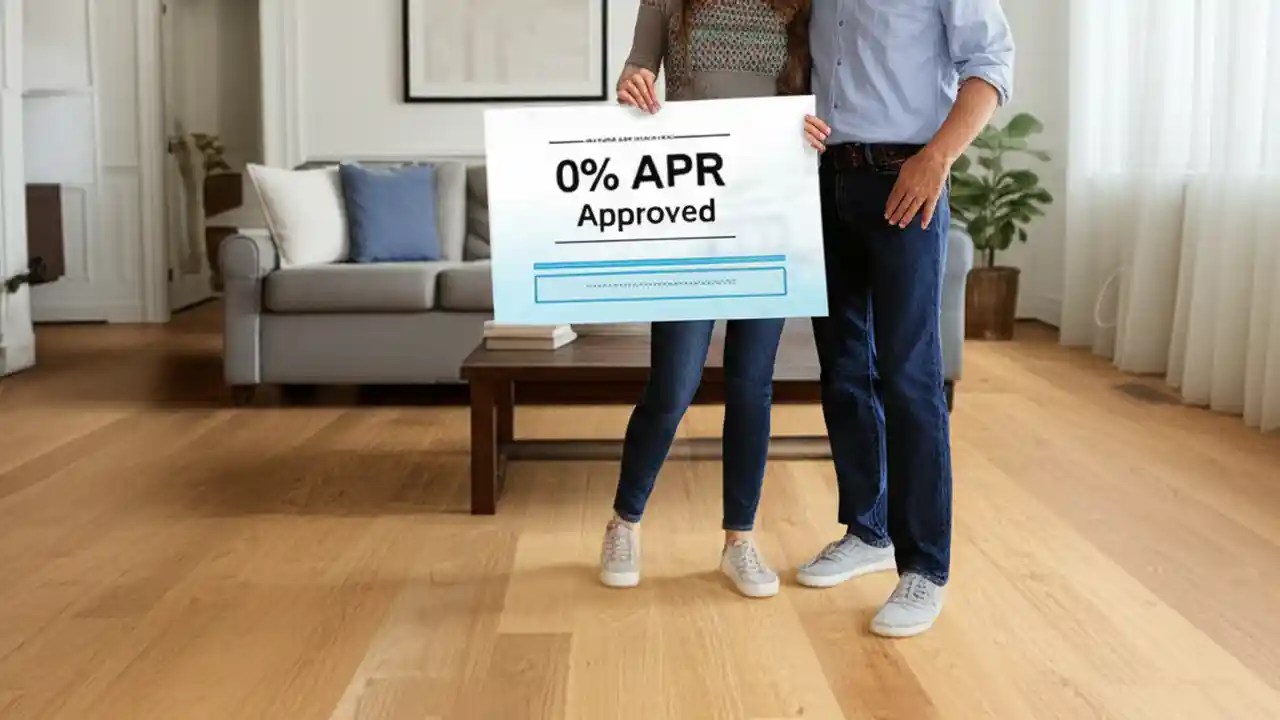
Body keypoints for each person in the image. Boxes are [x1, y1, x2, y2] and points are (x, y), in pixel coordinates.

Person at [797, 0, 1014, 637]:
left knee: (909, 375)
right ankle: (868, 529)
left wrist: (938, 157)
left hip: (907, 177)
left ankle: (925, 565)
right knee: (842, 367)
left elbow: (991, 64)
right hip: (822, 181)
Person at [600, 0, 812, 598]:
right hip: (688, 208)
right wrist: (633, 83)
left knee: (751, 382)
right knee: (673, 381)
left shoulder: (801, 3)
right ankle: (624, 522)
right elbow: (635, 71)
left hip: (769, 204)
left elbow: (815, 95)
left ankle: (739, 540)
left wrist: (819, 129)